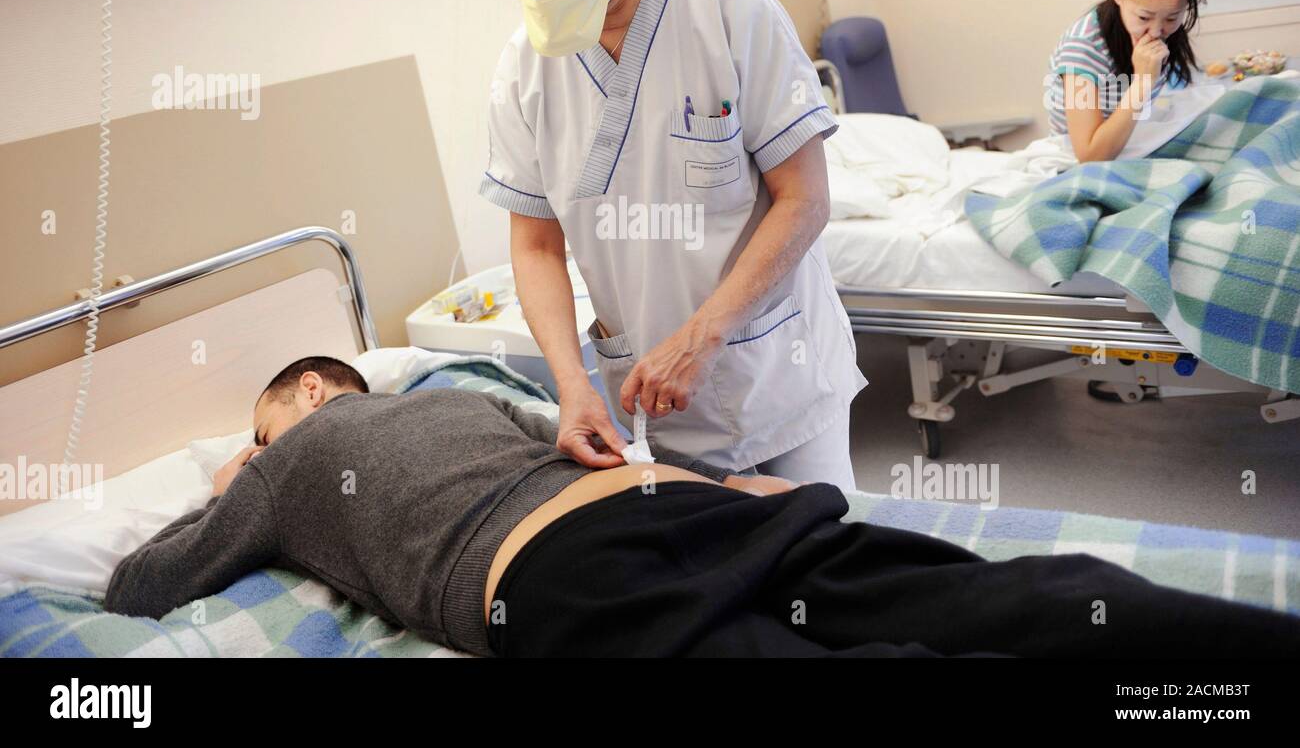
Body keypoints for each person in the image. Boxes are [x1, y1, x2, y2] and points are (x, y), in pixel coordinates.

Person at [104, 358, 1300, 658]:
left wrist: (231, 479)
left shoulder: (293, 454)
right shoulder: (463, 392)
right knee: (990, 593)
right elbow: (590, 442)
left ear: (308, 394)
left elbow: (138, 587)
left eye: (264, 426)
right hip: (681, 505)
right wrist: (730, 486)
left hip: (566, 579)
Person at [466, 0, 867, 491]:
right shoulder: (522, 70)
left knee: (821, 573)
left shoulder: (725, 6)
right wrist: (572, 383)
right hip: (651, 411)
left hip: (779, 380)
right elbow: (534, 245)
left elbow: (804, 200)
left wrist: (702, 335)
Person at [1045, 0, 1204, 161]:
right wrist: (1142, 83)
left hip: (1133, 140)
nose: (1156, 32)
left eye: (1171, 17)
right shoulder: (1082, 48)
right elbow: (1090, 155)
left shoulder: (1162, 31)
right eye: (1144, 17)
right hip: (1082, 159)